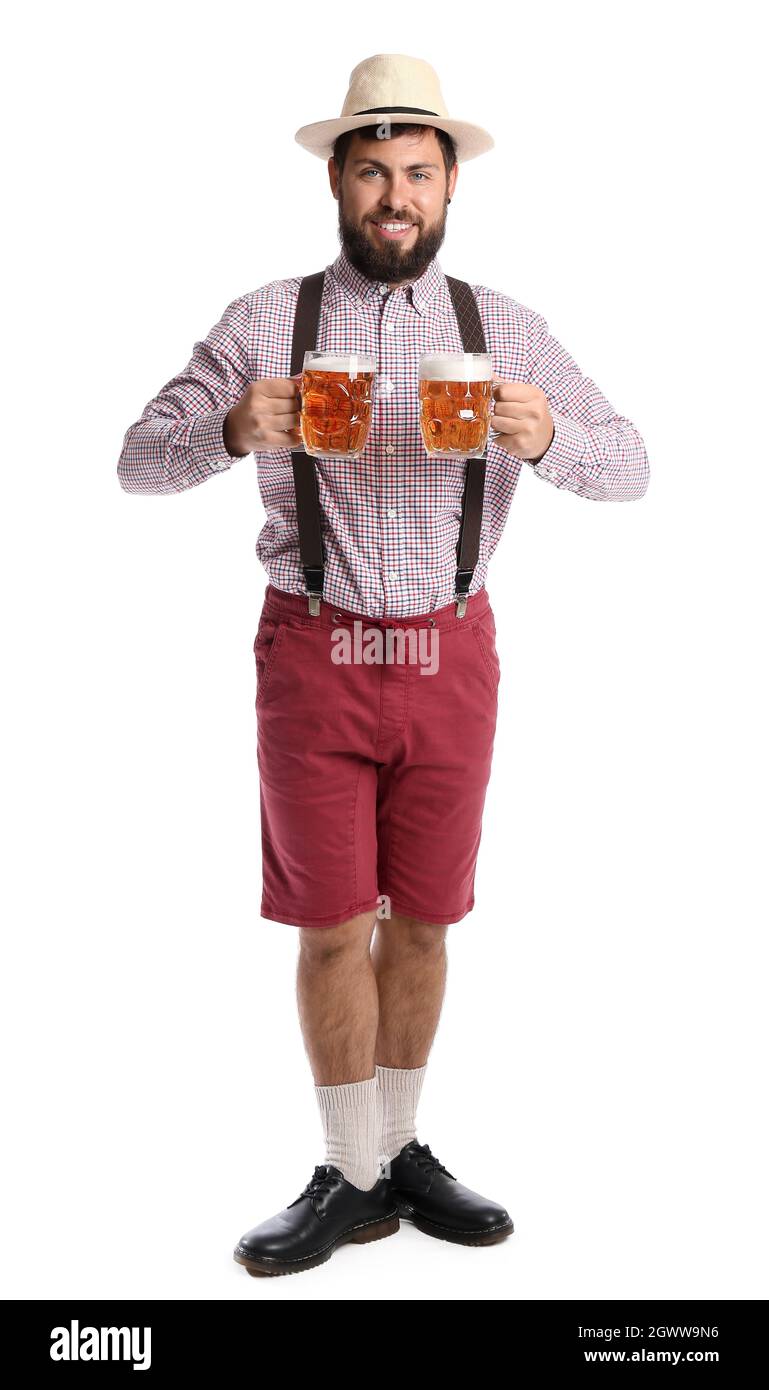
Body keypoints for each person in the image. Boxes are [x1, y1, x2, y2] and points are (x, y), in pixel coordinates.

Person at [117, 53, 649, 1278]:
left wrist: (552, 434)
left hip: (451, 650)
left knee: (425, 920)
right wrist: (231, 426)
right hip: (314, 647)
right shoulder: (267, 319)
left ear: (450, 187)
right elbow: (137, 460)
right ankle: (347, 1172)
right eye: (372, 173)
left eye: (417, 173)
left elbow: (629, 466)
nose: (394, 195)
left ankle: (398, 1150)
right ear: (338, 185)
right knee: (326, 924)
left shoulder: (502, 329)